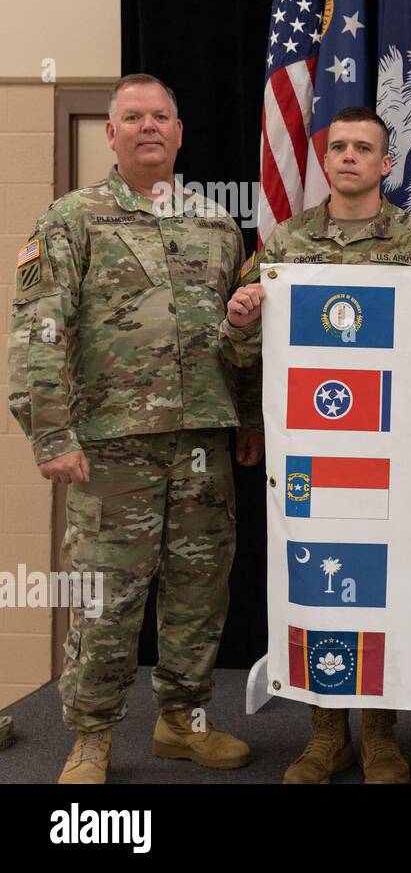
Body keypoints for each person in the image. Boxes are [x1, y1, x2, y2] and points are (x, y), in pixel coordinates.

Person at [8, 74, 261, 784]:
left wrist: (246, 415)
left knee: (199, 588)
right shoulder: (70, 219)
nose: (149, 126)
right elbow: (37, 329)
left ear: (179, 131)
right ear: (111, 132)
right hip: (113, 447)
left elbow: (233, 332)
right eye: (132, 117)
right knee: (105, 594)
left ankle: (182, 722)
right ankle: (91, 737)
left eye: (161, 116)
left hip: (205, 442)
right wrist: (50, 431)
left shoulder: (216, 224)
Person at [222, 106, 411, 784]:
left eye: (362, 147)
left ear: (385, 163)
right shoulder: (285, 242)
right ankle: (323, 732)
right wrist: (239, 320)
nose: (347, 156)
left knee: (385, 585)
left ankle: (379, 733)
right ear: (325, 160)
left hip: (393, 444)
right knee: (316, 583)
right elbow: (240, 345)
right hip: (310, 448)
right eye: (337, 146)